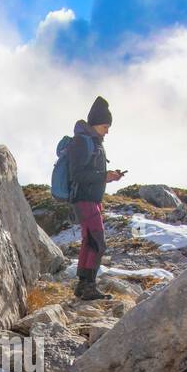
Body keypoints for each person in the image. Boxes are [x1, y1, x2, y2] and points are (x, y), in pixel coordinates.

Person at [68, 96, 126, 300]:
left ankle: (83, 286)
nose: (108, 131)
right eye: (105, 126)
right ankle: (88, 286)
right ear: (95, 124)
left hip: (90, 199)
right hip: (84, 200)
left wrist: (110, 176)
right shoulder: (82, 142)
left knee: (90, 242)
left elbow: (88, 173)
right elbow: (78, 175)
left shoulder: (92, 142)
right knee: (97, 242)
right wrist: (104, 176)